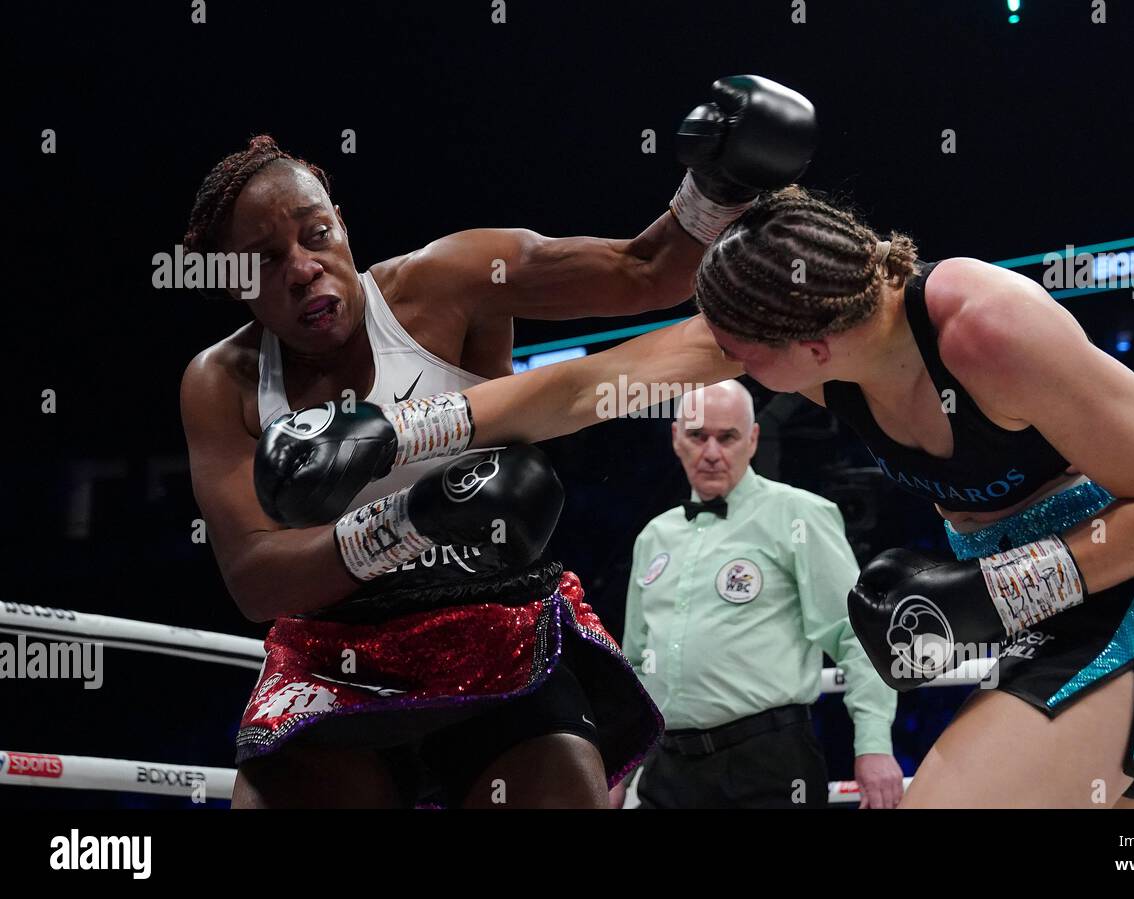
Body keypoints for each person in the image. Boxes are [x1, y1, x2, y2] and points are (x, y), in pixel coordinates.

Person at [179, 75, 816, 808]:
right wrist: (412, 517)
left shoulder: (446, 282)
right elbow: (255, 578)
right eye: (263, 260)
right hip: (335, 650)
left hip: (491, 620)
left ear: (342, 225)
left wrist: (723, 182)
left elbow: (643, 270)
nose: (301, 267)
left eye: (316, 233)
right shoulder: (219, 382)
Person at [688, 187, 1134, 808]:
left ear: (811, 348)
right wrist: (693, 202)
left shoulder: (986, 326)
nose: (727, 363)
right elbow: (597, 376)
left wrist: (995, 591)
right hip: (1048, 616)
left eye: (741, 354)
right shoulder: (819, 348)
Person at [618, 381, 902, 809]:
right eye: (698, 436)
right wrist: (620, 766)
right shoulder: (654, 537)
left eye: (727, 437)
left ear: (752, 440)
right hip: (669, 768)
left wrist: (874, 745)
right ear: (676, 437)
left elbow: (856, 633)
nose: (711, 452)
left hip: (768, 761)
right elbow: (636, 663)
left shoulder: (799, 515)